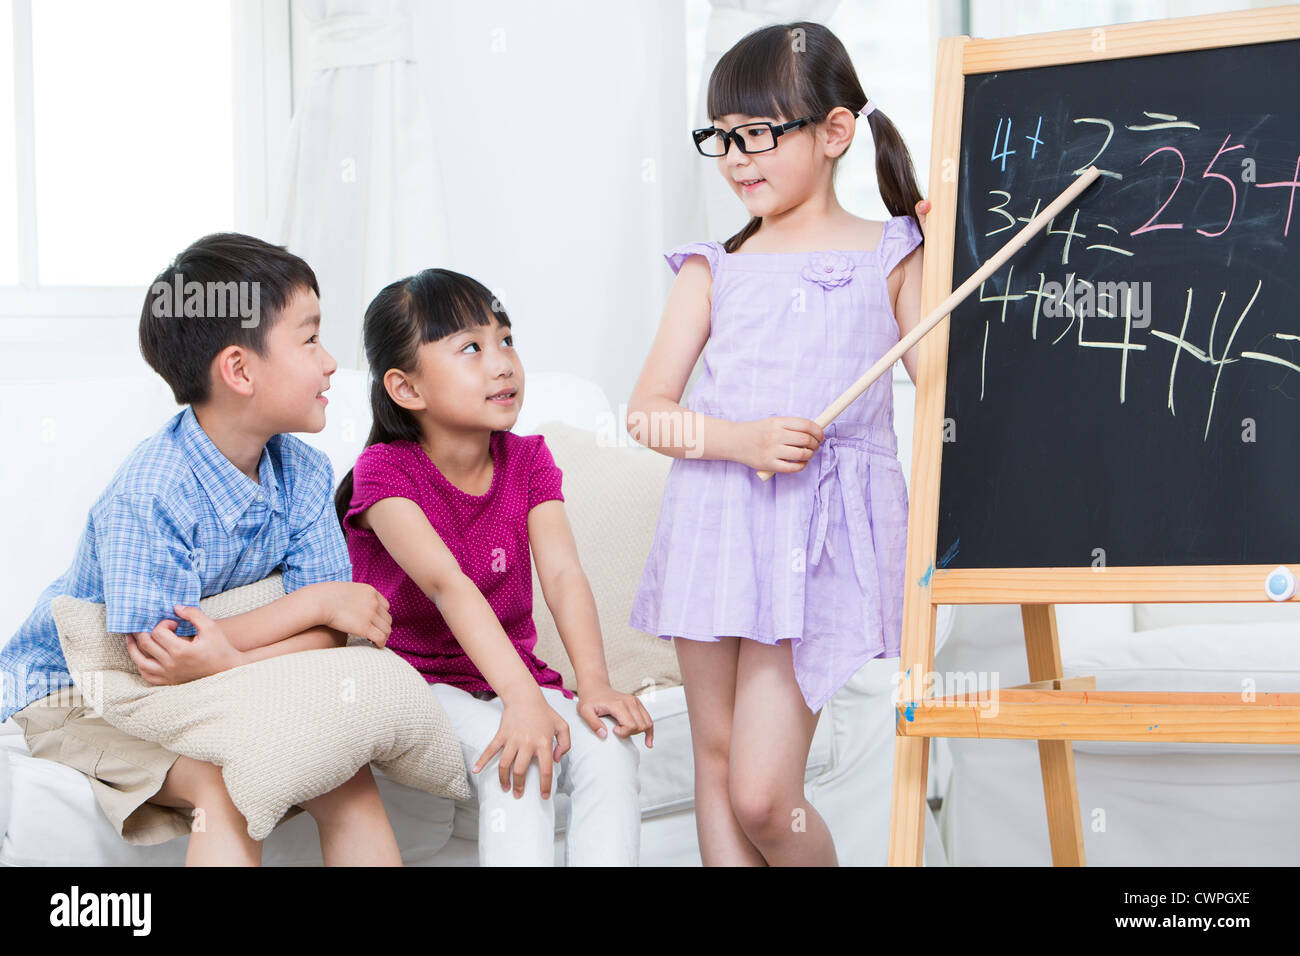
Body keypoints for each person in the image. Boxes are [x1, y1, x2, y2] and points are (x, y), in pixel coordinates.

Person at [627, 21, 932, 866]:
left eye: (757, 133)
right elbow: (649, 412)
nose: (735, 156)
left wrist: (949, 252)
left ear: (835, 133)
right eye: (721, 137)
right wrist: (741, 439)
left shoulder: (892, 253)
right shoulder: (711, 266)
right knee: (718, 772)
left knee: (764, 793)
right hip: (715, 524)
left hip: (818, 537)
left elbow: (943, 381)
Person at [0, 233, 400, 866]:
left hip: (208, 680)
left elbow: (332, 636)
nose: (330, 363)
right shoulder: (152, 490)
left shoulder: (304, 474)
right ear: (239, 371)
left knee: (344, 771)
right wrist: (316, 603)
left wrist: (231, 659)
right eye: (310, 338)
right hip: (82, 690)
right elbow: (163, 655)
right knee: (223, 784)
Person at [335, 269, 653, 866]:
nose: (502, 363)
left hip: (507, 672)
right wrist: (522, 701)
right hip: (416, 679)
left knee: (611, 748)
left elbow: (562, 576)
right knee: (521, 755)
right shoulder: (384, 472)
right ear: (406, 389)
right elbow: (447, 586)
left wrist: (595, 683)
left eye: (506, 339)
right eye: (472, 349)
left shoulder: (528, 459)